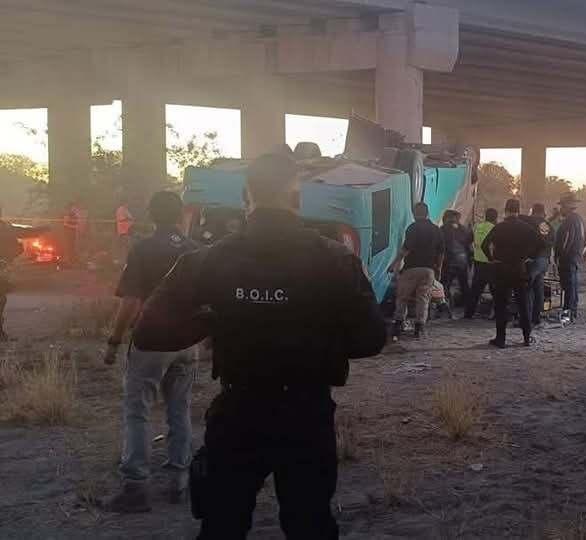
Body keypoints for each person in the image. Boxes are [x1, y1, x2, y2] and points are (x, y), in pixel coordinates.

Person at [132, 153, 386, 538]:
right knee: (311, 525)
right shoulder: (335, 260)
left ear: (245, 196)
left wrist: (212, 322)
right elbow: (372, 338)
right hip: (306, 414)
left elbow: (147, 331)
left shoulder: (209, 260)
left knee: (222, 525)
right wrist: (314, 340)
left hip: (238, 412)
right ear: (297, 198)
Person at [101, 191, 200, 513]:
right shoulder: (193, 248)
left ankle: (136, 487)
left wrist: (114, 341)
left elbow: (131, 301)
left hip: (152, 340)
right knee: (179, 410)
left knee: (138, 411)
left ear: (151, 216)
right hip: (187, 342)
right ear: (179, 215)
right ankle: (178, 483)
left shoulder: (144, 248)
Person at [481, 199, 544, 348]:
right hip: (519, 269)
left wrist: (492, 259)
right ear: (518, 210)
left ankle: (501, 339)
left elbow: (484, 245)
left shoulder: (499, 227)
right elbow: (542, 244)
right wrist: (530, 257)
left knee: (501, 305)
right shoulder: (526, 228)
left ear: (506, 210)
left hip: (502, 269)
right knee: (523, 304)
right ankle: (527, 338)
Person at [388, 202, 443, 340]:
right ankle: (419, 327)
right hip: (429, 270)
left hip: (411, 268)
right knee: (423, 298)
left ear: (414, 213)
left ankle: (398, 324)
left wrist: (393, 264)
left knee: (403, 297)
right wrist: (439, 269)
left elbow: (406, 249)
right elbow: (441, 252)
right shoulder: (436, 229)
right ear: (427, 212)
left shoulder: (412, 228)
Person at [520, 203, 555, 328]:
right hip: (544, 260)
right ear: (543, 212)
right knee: (538, 288)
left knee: (527, 289)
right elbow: (551, 241)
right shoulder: (548, 226)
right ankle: (537, 317)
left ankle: (527, 318)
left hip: (532, 259)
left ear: (533, 211)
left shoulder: (529, 222)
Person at [555, 194, 585, 322]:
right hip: (576, 256)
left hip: (568, 257)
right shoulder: (579, 219)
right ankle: (573, 312)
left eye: (561, 206)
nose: (560, 209)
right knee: (573, 285)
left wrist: (560, 255)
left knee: (568, 286)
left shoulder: (569, 221)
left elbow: (567, 240)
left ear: (566, 206)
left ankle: (567, 314)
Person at [464, 208, 498, 320]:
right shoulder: (495, 228)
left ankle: (468, 314)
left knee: (475, 290)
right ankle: (497, 314)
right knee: (495, 291)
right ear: (495, 218)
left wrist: (473, 253)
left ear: (485, 216)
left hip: (478, 262)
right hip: (491, 263)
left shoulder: (477, 227)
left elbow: (468, 242)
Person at [439, 210, 471, 310]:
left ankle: (443, 305)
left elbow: (440, 246)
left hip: (448, 261)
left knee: (445, 284)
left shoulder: (443, 229)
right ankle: (466, 305)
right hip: (462, 260)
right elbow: (469, 245)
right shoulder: (464, 229)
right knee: (464, 284)